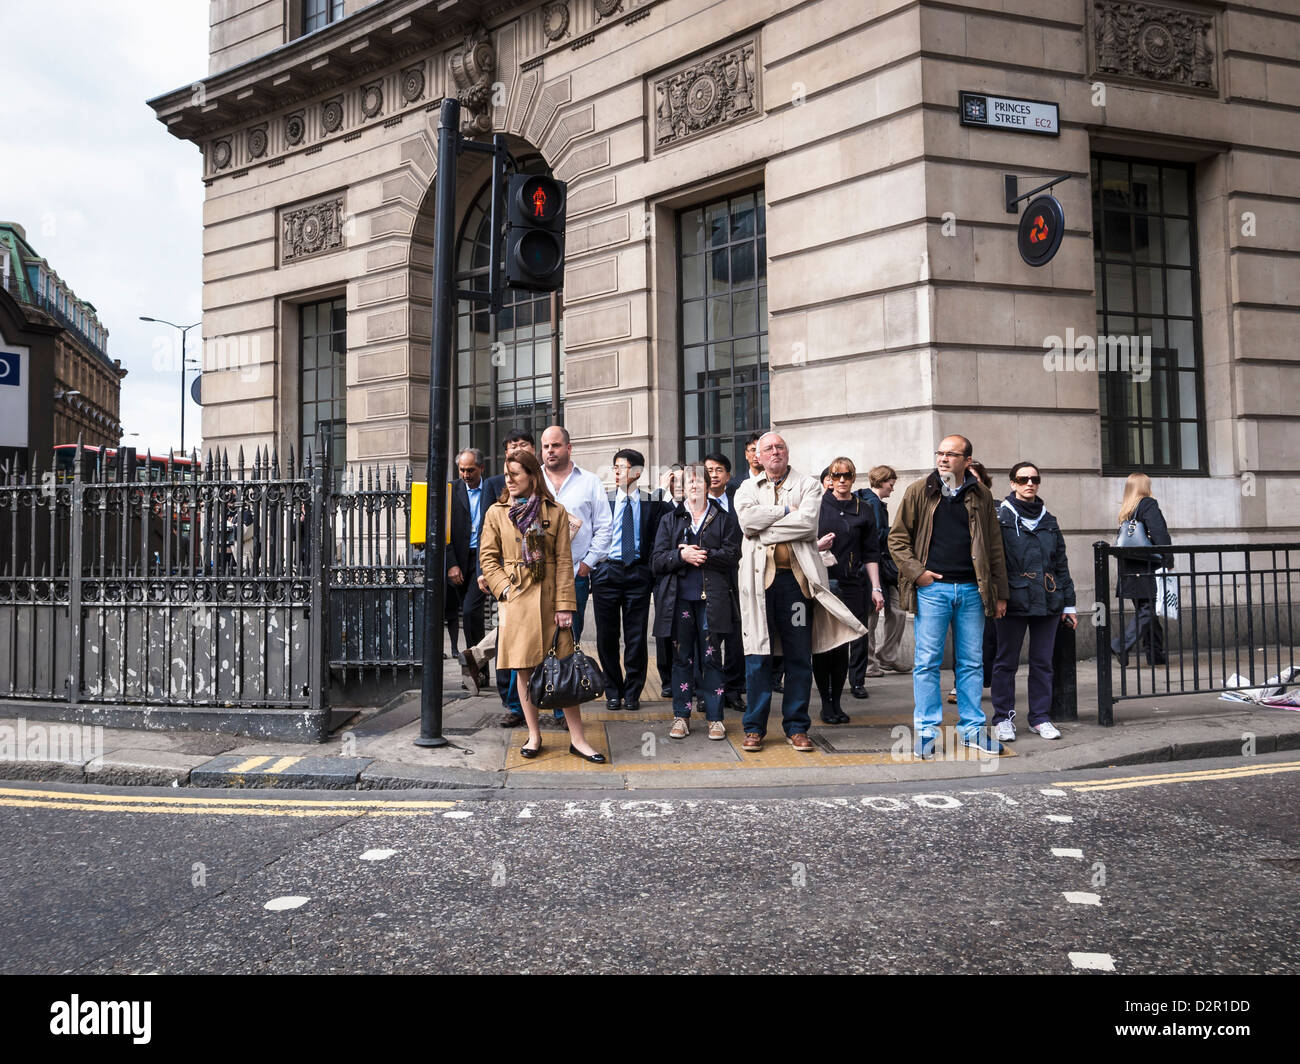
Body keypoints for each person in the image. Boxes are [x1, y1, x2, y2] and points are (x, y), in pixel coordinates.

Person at [734, 432, 866, 752]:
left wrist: (764, 530)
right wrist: (782, 513)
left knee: (798, 657)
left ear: (787, 453)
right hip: (759, 585)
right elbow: (746, 522)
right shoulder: (747, 488)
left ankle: (796, 726)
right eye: (768, 448)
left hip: (795, 583)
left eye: (780, 447)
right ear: (758, 457)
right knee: (757, 656)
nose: (775, 452)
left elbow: (807, 525)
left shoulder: (807, 484)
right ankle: (754, 727)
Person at [477, 450, 606, 763]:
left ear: (532, 476)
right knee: (524, 670)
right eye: (507, 475)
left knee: (563, 666)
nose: (509, 480)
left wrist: (565, 606)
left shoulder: (556, 512)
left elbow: (564, 562)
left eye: (515, 474)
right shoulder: (497, 512)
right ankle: (534, 735)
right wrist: (504, 589)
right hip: (516, 600)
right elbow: (488, 558)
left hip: (550, 601)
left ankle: (578, 740)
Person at [888, 434, 1009, 759]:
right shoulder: (919, 491)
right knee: (926, 663)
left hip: (972, 589)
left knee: (971, 663)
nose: (943, 459)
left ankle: (972, 731)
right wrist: (919, 574)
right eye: (940, 453)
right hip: (932, 590)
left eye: (951, 455)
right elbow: (897, 539)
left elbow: (994, 546)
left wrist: (1000, 593)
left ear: (967, 461)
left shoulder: (980, 494)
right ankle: (926, 733)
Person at [652, 463, 741, 741]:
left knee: (712, 658)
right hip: (679, 600)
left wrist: (702, 554)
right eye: (687, 481)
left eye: (698, 481)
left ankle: (715, 719)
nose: (693, 485)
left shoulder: (724, 517)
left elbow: (732, 555)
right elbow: (656, 561)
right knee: (682, 659)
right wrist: (680, 557)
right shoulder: (670, 519)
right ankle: (681, 716)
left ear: (707, 485)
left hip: (712, 598)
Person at [991, 462, 1077, 742]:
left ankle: (1040, 717)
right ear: (1012, 483)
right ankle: (1003, 717)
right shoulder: (1001, 518)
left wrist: (1069, 604)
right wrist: (998, 597)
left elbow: (1061, 564)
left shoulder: (1048, 520)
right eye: (1023, 479)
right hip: (1012, 599)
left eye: (1034, 479)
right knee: (1006, 661)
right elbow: (994, 562)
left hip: (1048, 600)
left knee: (1042, 662)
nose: (1029, 483)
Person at [592, 448, 669, 711]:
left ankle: (633, 691)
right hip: (607, 573)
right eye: (614, 467)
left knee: (636, 637)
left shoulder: (652, 503)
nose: (616, 472)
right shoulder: (604, 500)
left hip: (638, 574)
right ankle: (613, 690)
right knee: (607, 636)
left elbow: (662, 536)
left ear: (637, 472)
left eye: (621, 467)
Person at [811, 457, 884, 724]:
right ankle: (826, 702)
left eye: (848, 475)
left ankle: (837, 701)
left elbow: (871, 553)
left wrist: (877, 588)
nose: (842, 480)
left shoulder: (863, 509)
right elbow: (801, 543)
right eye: (837, 475)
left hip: (853, 584)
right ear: (829, 478)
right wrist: (817, 545)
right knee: (823, 646)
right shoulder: (817, 506)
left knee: (843, 646)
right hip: (822, 583)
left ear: (854, 478)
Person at [947, 459, 999, 704]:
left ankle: (981, 681)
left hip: (984, 583)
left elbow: (998, 549)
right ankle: (961, 685)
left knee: (986, 640)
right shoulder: (949, 504)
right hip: (954, 582)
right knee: (961, 641)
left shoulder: (994, 507)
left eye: (974, 479)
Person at [1110, 472, 1171, 667]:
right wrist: (1168, 559)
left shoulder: (1126, 510)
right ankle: (1122, 644)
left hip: (1129, 568)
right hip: (1146, 567)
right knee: (1149, 609)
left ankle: (1155, 655)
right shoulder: (1147, 504)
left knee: (1147, 612)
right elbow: (1160, 532)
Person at [859, 465, 908, 682]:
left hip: (884, 566)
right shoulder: (872, 503)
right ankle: (870, 662)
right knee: (872, 615)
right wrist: (896, 532)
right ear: (882, 481)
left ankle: (886, 656)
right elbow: (876, 535)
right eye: (891, 483)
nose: (892, 488)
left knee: (896, 611)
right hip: (875, 566)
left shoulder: (873, 502)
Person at [703, 451, 744, 709]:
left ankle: (733, 690)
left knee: (738, 636)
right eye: (708, 470)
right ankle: (709, 691)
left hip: (740, 575)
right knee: (710, 637)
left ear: (728, 476)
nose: (714, 475)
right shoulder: (695, 506)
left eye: (719, 470)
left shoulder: (740, 502)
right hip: (710, 578)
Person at [446, 447, 488, 668]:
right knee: (470, 616)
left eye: (470, 470)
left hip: (482, 559)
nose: (466, 475)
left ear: (481, 468)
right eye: (462, 470)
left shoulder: (490, 488)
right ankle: (478, 668)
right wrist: (451, 563)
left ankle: (473, 666)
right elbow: (442, 531)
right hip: (459, 560)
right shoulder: (451, 489)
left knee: (471, 611)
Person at [653, 463, 686, 698]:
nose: (680, 485)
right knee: (665, 629)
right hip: (663, 576)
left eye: (685, 481)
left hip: (688, 576)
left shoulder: (694, 508)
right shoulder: (660, 507)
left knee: (687, 631)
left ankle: (690, 678)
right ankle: (666, 679)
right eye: (675, 480)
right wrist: (661, 489)